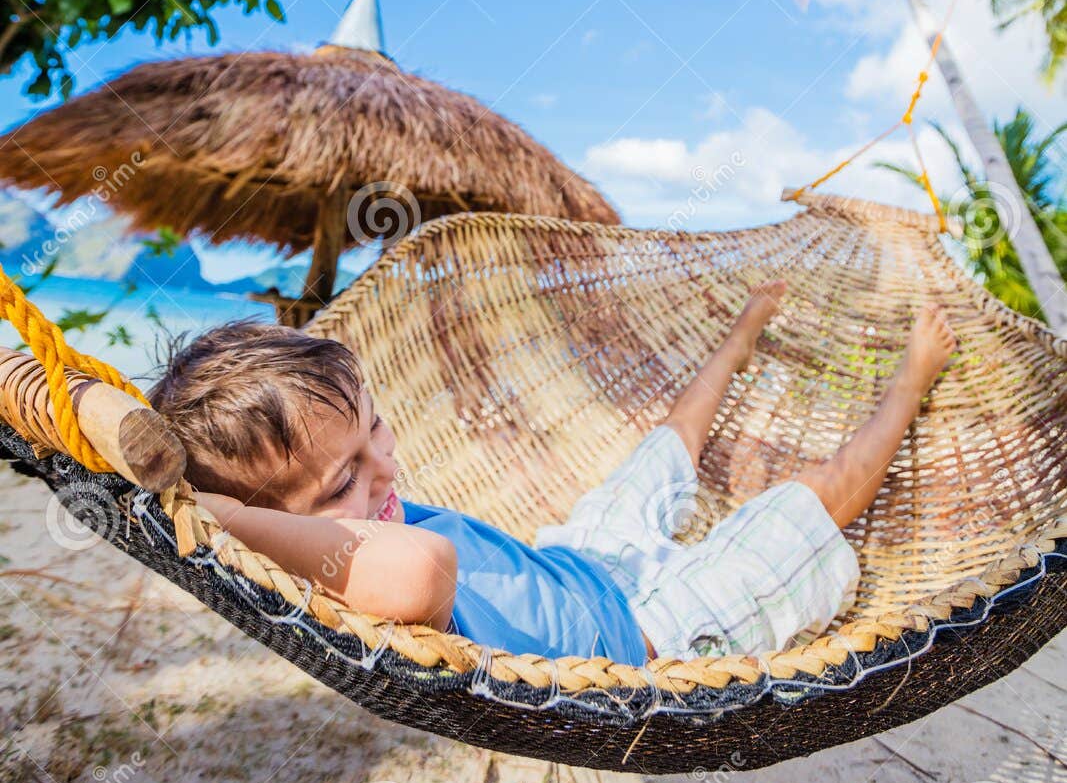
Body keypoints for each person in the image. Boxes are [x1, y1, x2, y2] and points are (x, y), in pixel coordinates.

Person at [150, 285, 956, 663]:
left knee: (662, 449)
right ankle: (911, 380)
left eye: (377, 430)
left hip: (577, 561)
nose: (386, 466)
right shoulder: (340, 571)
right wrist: (223, 522)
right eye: (341, 484)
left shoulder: (356, 513)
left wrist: (332, 492)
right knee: (795, 507)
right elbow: (423, 570)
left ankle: (737, 339)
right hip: (649, 633)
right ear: (280, 528)